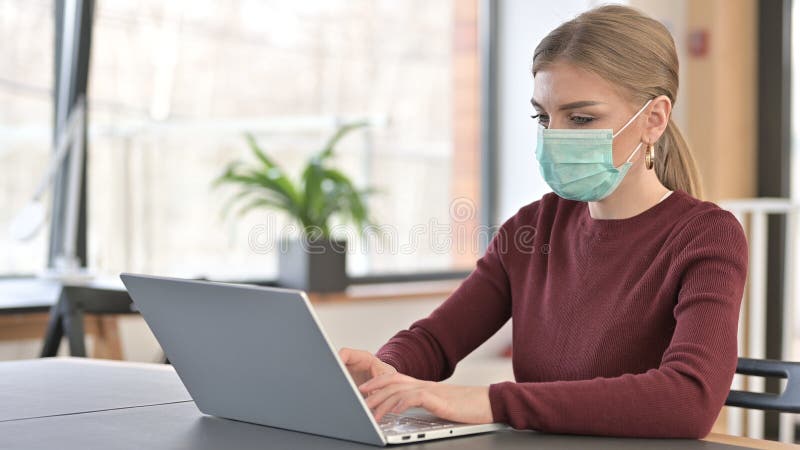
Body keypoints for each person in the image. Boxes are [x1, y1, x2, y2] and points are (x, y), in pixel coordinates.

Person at [339, 5, 748, 439]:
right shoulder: (533, 227)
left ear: (654, 119)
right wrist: (385, 373)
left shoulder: (708, 236)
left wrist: (492, 402)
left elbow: (689, 399)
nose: (555, 136)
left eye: (581, 118)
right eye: (543, 117)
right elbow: (436, 340)